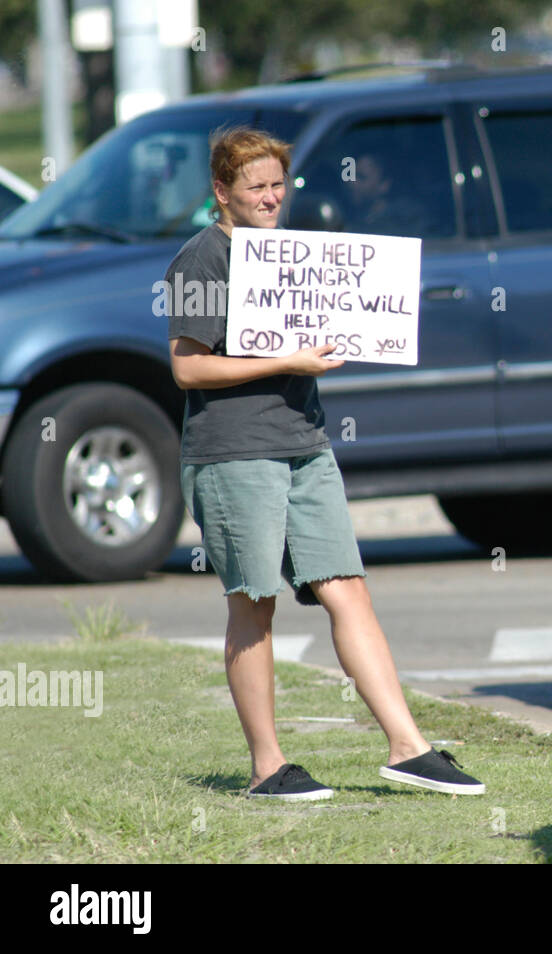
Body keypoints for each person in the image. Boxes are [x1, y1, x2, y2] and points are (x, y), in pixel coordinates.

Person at [165, 125, 483, 800]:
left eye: (279, 184)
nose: (272, 197)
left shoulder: (292, 255)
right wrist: (287, 361)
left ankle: (408, 746)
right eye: (256, 187)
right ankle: (267, 767)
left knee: (348, 587)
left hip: (304, 444)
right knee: (254, 603)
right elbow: (188, 367)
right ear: (222, 192)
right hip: (232, 453)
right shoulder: (201, 260)